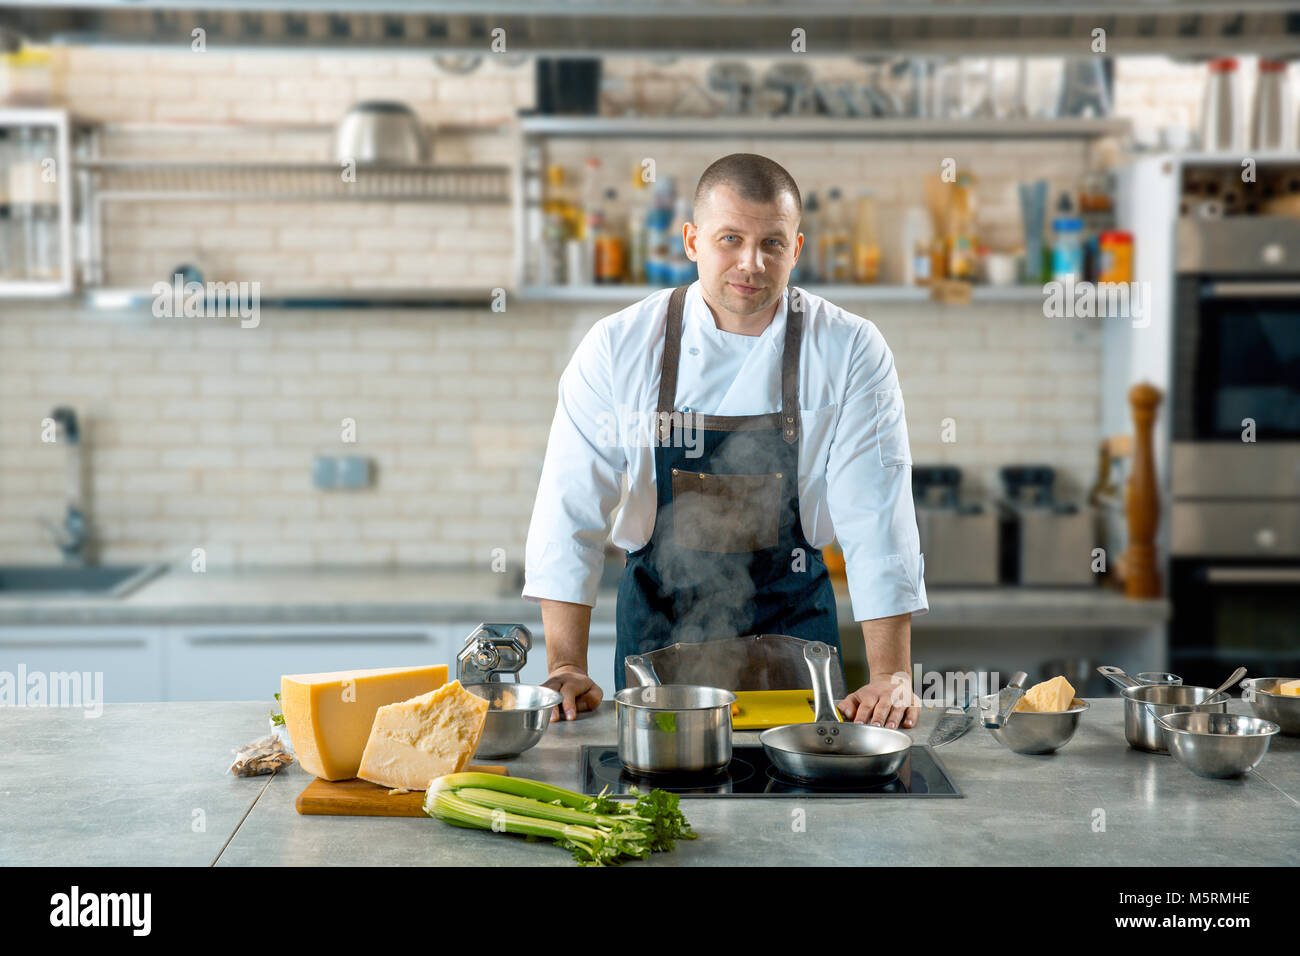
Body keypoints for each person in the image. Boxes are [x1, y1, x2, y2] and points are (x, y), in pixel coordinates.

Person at [523, 153, 926, 730]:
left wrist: (891, 674)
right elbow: (569, 510)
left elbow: (878, 515)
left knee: (809, 807)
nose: (751, 263)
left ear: (797, 248)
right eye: (730, 238)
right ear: (691, 240)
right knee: (658, 794)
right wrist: (565, 664)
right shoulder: (616, 347)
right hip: (656, 643)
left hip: (794, 642)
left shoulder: (850, 349)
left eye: (772, 243)